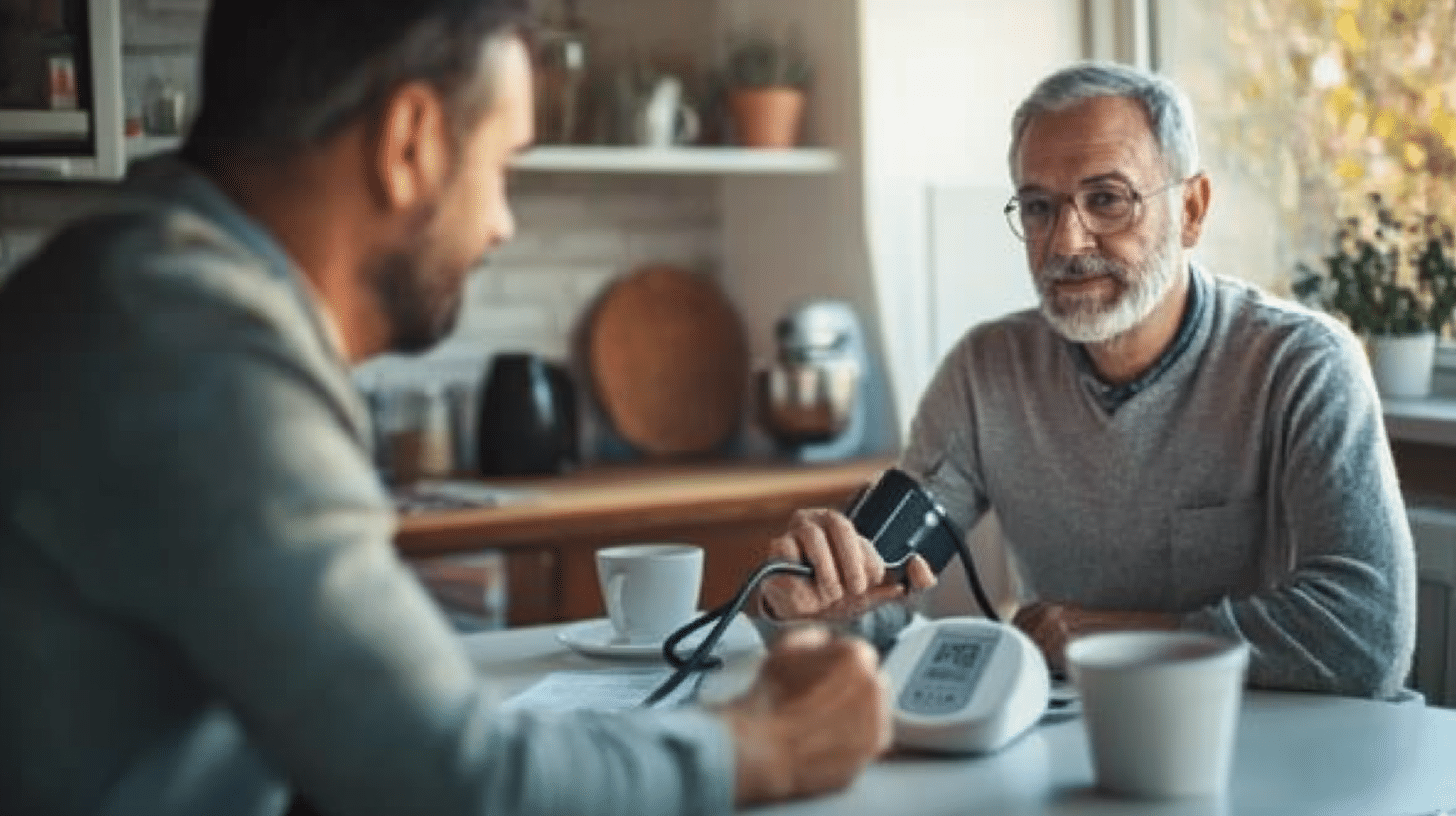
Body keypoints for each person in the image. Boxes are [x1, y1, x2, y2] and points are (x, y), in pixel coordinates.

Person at [0, 2, 892, 815]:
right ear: (412, 141)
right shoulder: (199, 355)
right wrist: (769, 743)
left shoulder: (131, 285)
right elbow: (448, 782)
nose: (503, 223)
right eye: (502, 167)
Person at [759, 61, 1417, 700]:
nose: (1066, 243)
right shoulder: (985, 372)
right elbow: (882, 597)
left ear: (1191, 209)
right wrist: (810, 598)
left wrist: (1118, 637)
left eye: (1106, 200)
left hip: (1275, 738)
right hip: (1075, 737)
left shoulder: (1302, 365)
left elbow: (1368, 637)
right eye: (1038, 208)